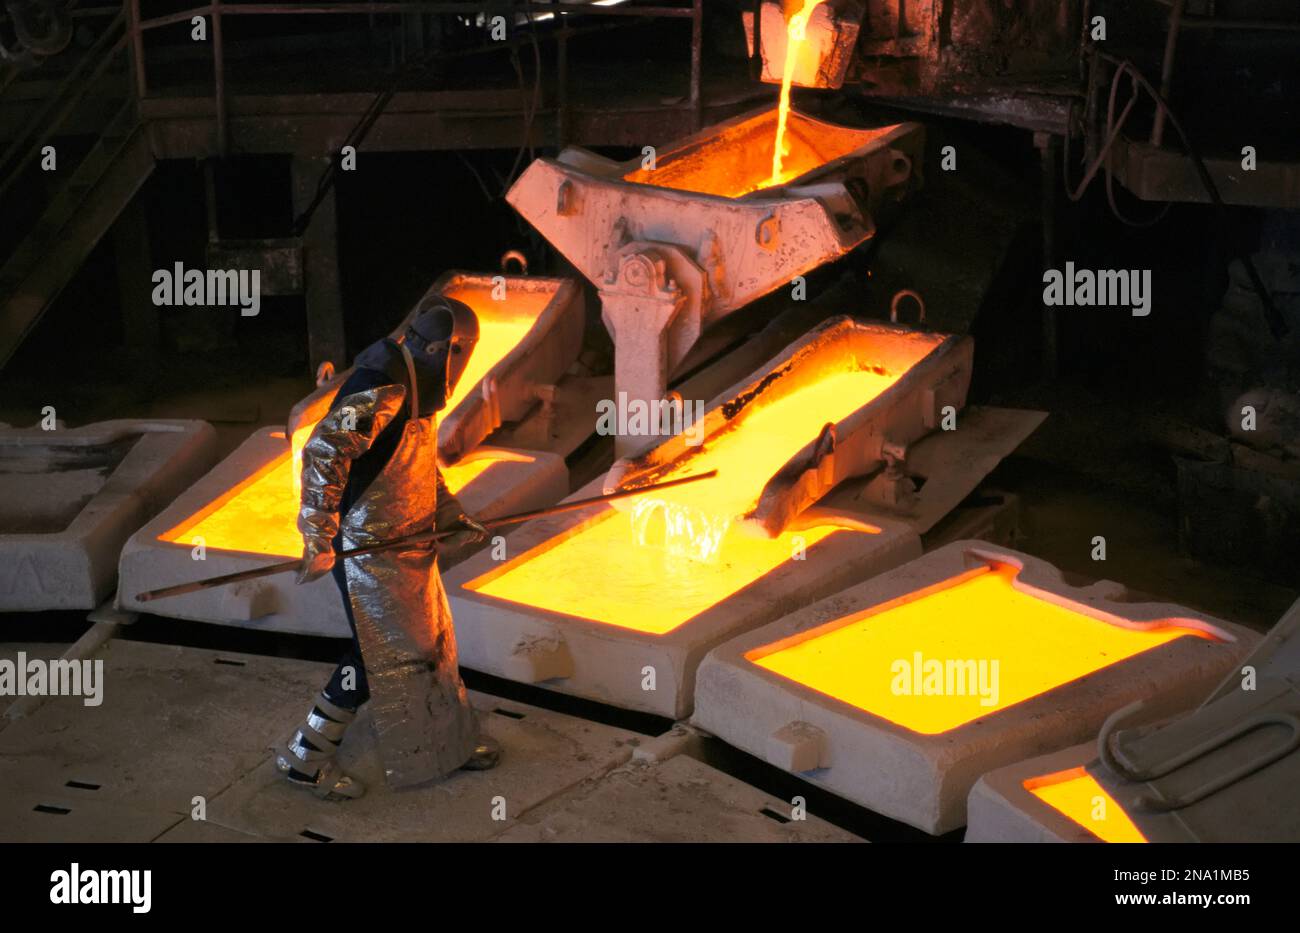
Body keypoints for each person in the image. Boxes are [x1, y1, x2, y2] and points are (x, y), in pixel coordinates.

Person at [275, 296, 499, 801]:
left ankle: (447, 744)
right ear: (451, 350)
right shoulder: (383, 386)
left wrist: (450, 516)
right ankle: (305, 755)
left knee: (430, 643)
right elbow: (324, 453)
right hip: (366, 547)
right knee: (376, 655)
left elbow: (413, 464)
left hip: (404, 541)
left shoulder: (415, 384)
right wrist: (318, 535)